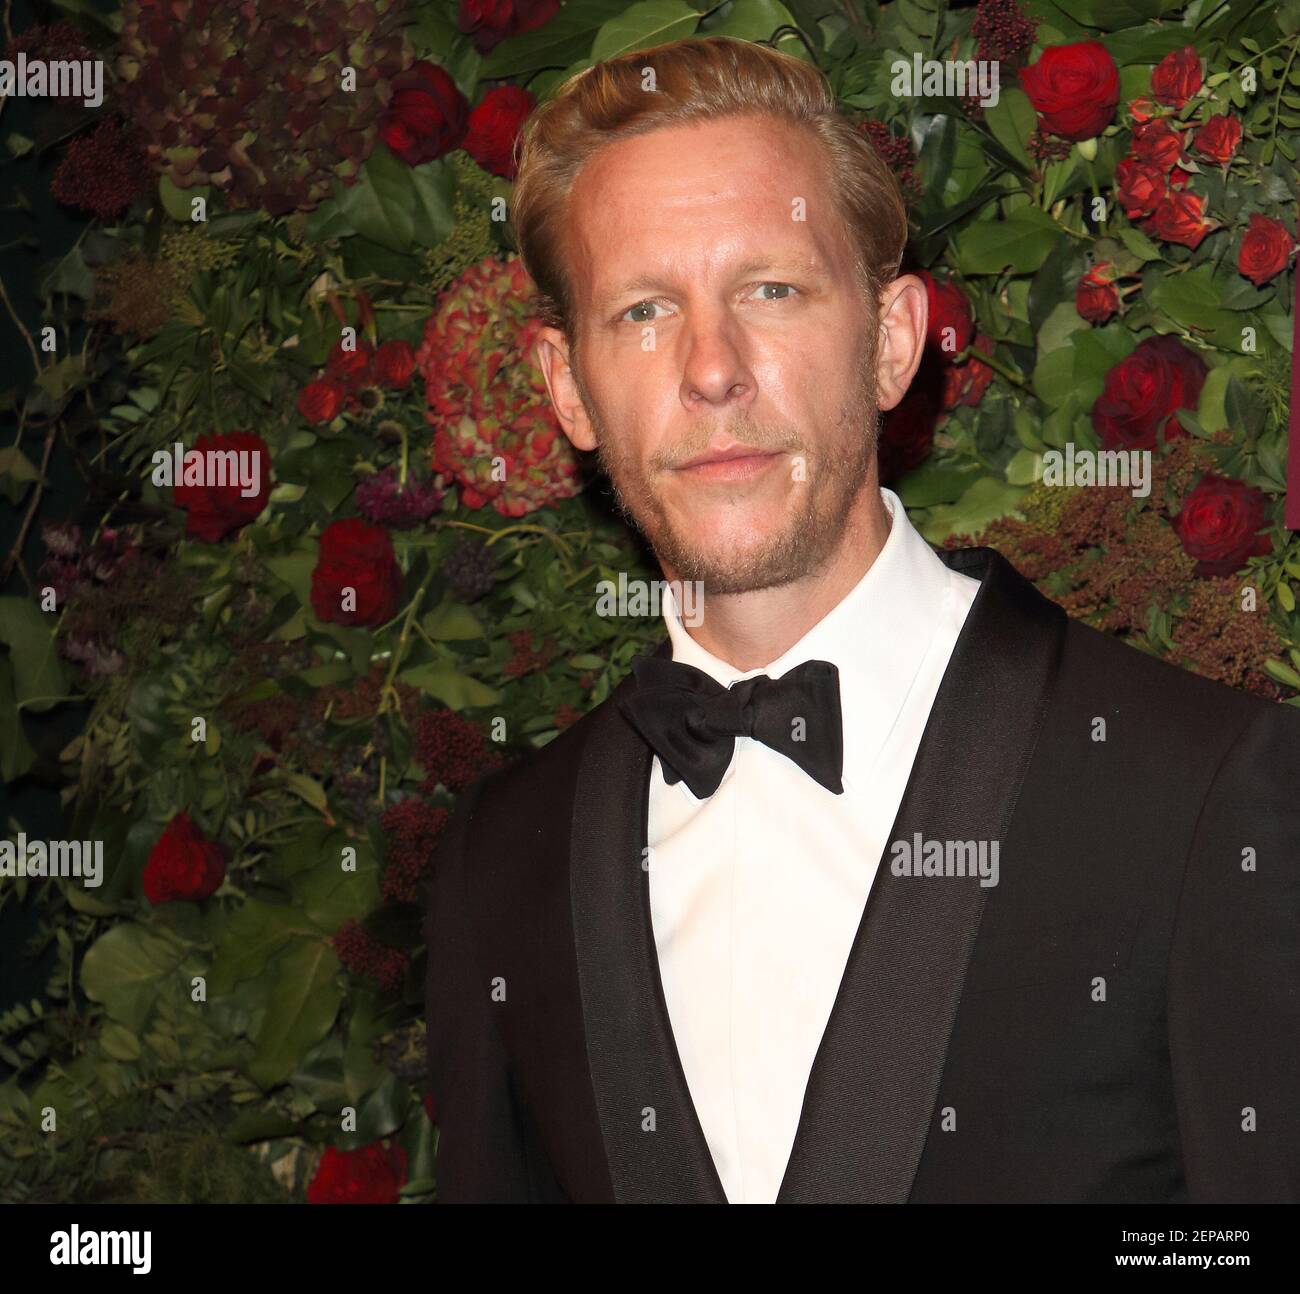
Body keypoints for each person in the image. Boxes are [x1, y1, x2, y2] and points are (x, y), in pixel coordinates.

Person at [423, 34, 1300, 1203]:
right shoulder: (501, 860)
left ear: (890, 342)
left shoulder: (1198, 791)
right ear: (569, 387)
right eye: (642, 310)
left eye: (770, 290)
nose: (712, 370)